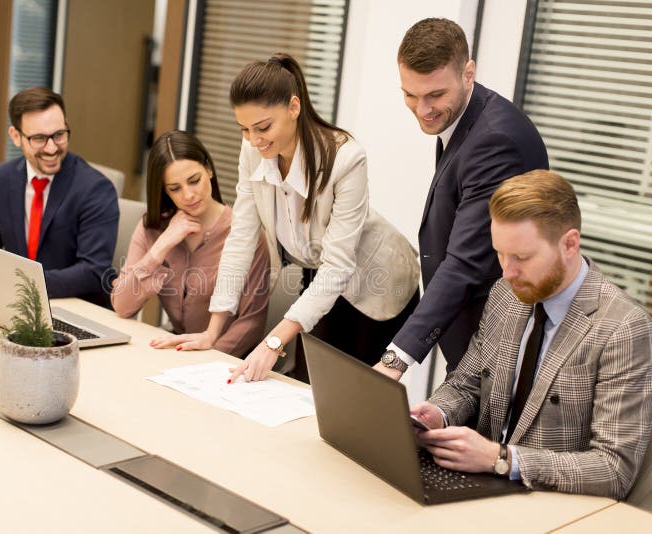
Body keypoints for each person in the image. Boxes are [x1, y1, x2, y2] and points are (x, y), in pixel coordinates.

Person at [152, 53, 420, 382]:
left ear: (294, 107)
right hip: (320, 274)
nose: (254, 139)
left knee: (351, 396)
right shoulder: (252, 149)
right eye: (245, 129)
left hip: (377, 285)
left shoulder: (345, 158)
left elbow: (339, 266)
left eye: (263, 127)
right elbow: (242, 237)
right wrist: (213, 330)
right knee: (312, 386)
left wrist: (274, 341)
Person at [411, 170, 652, 499]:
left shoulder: (623, 327)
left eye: (522, 257)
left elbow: (613, 469)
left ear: (569, 244)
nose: (507, 271)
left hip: (556, 506)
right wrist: (434, 414)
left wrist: (503, 460)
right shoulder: (506, 295)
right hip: (482, 491)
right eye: (500, 253)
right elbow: (466, 384)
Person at [375, 18, 549, 379]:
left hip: (496, 352)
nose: (423, 110)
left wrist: (396, 359)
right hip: (472, 344)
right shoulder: (465, 121)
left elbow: (466, 261)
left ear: (468, 73)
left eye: (435, 95)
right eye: (410, 95)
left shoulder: (494, 142)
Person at [0, 86, 118, 308]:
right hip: (17, 305)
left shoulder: (96, 189)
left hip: (73, 309)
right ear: (16, 136)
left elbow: (93, 271)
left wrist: (14, 282)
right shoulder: (1, 177)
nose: (51, 148)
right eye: (39, 138)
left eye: (59, 135)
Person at [111, 130, 269, 357]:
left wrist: (204, 363)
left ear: (209, 170)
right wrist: (162, 245)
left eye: (194, 181)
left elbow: (251, 324)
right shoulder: (152, 228)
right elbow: (122, 306)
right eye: (175, 188)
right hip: (177, 353)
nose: (188, 195)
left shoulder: (245, 233)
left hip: (225, 361)